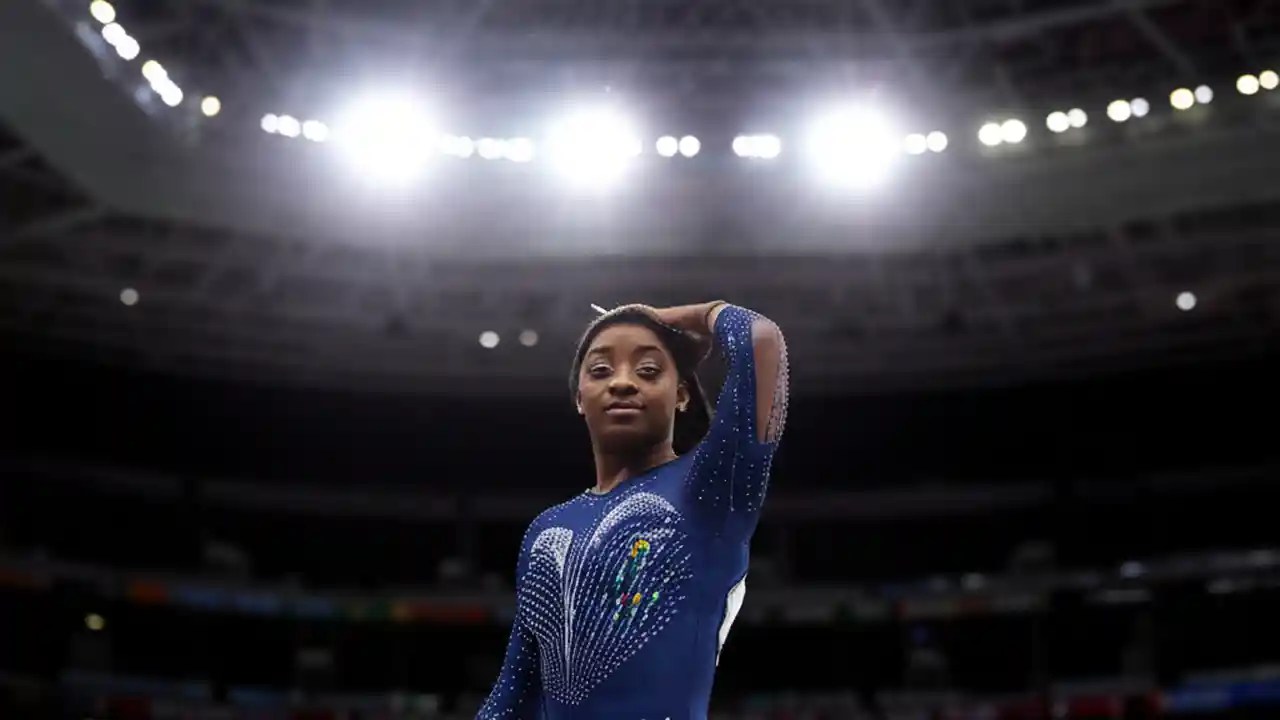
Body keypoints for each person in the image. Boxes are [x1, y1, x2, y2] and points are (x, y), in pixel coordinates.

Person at [477, 300, 789, 720]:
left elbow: (759, 340)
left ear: (681, 395)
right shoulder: (547, 531)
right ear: (579, 398)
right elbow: (514, 693)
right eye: (600, 370)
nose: (622, 382)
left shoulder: (709, 491)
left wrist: (675, 316)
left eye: (648, 370)